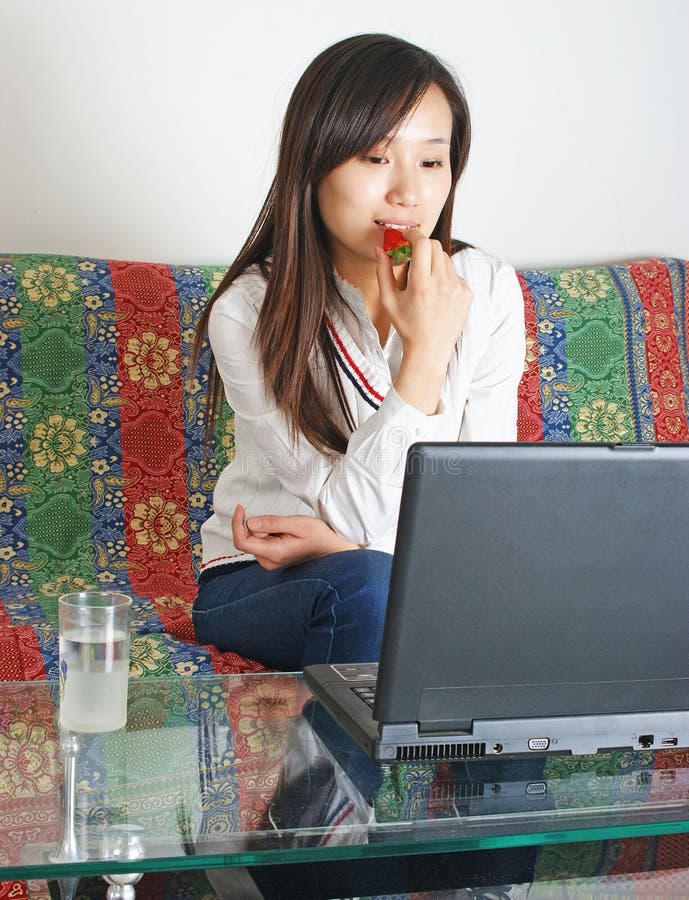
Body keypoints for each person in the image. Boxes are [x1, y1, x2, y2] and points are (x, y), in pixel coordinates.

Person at [191, 33, 526, 672]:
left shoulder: (486, 289)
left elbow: (485, 505)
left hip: (420, 578)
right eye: (375, 157)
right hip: (266, 578)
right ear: (314, 161)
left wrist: (347, 542)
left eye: (432, 161)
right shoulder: (249, 311)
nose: (408, 193)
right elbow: (347, 515)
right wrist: (425, 353)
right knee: (371, 586)